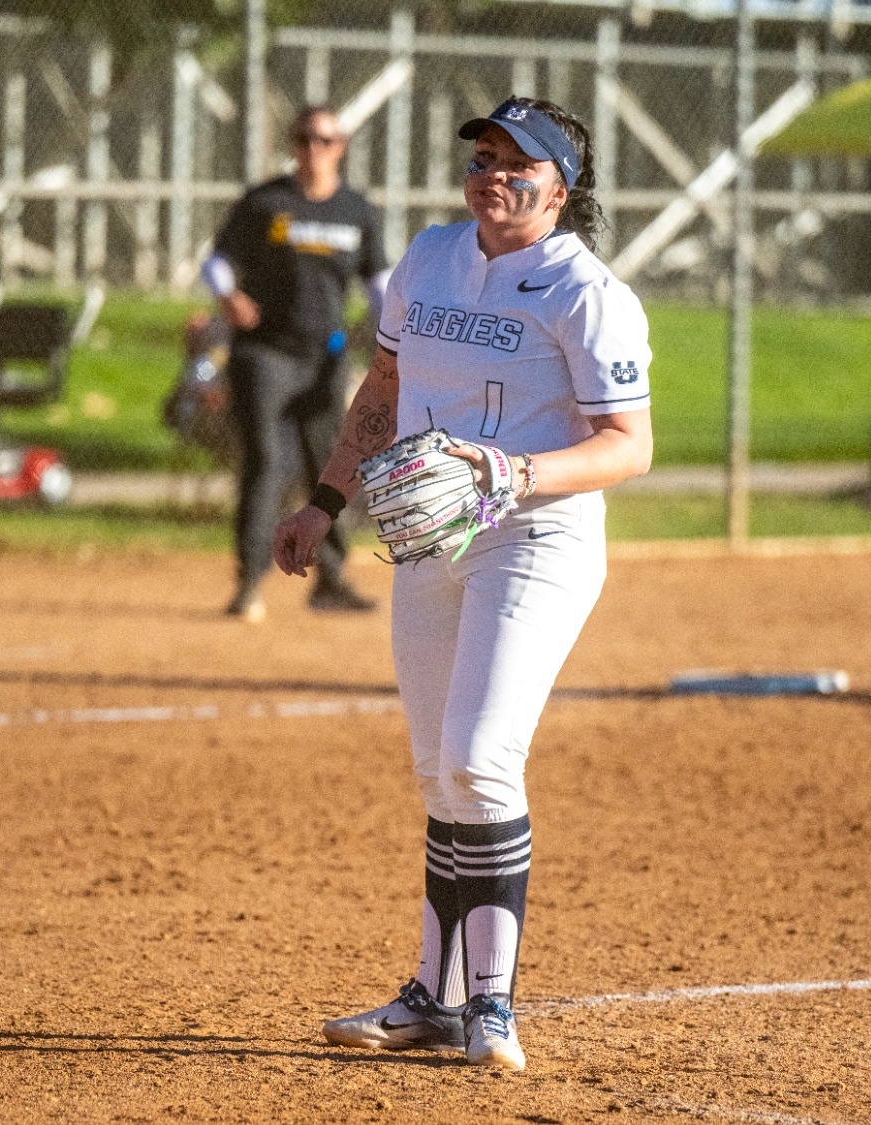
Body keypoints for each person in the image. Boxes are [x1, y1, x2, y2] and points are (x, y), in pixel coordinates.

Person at [271, 97, 652, 1073]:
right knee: (439, 768)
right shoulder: (430, 258)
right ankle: (432, 999)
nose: (491, 172)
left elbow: (627, 446)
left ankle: (491, 1004)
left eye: (515, 161)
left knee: (481, 757)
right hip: (430, 538)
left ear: (559, 189)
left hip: (534, 540)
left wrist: (517, 472)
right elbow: (384, 390)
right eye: (481, 154)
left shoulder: (585, 291)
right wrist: (324, 500)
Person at [204, 106, 390, 622]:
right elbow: (217, 260)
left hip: (325, 355)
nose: (315, 149)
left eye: (326, 140)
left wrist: (400, 329)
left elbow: (378, 281)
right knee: (267, 463)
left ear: (341, 146)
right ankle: (249, 582)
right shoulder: (266, 202)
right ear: (293, 144)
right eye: (306, 139)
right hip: (264, 351)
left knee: (329, 467)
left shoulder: (355, 210)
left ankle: (330, 580)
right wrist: (228, 296)